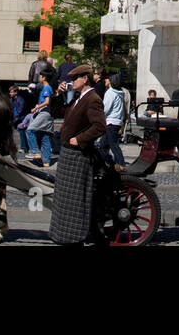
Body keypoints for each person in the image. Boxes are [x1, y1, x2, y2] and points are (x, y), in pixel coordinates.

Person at [48, 64, 107, 245]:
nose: (71, 81)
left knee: (74, 201)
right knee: (64, 200)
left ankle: (74, 237)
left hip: (78, 156)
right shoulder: (77, 98)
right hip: (68, 155)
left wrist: (80, 139)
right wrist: (57, 95)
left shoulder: (92, 99)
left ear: (85, 79)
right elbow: (55, 112)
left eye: (74, 79)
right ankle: (63, 235)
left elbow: (100, 126)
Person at [26, 71, 57, 166]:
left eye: (40, 76)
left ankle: (36, 152)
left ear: (44, 78)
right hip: (46, 114)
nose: (38, 77)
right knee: (45, 136)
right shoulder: (47, 88)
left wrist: (36, 107)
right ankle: (46, 162)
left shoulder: (46, 87)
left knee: (30, 130)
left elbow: (47, 101)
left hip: (43, 113)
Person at [96, 68, 125, 168]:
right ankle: (111, 164)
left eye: (107, 79)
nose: (105, 80)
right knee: (102, 146)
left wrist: (97, 117)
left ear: (111, 81)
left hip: (111, 122)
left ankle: (121, 164)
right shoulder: (119, 93)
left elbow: (105, 108)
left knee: (113, 145)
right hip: (116, 122)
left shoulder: (110, 93)